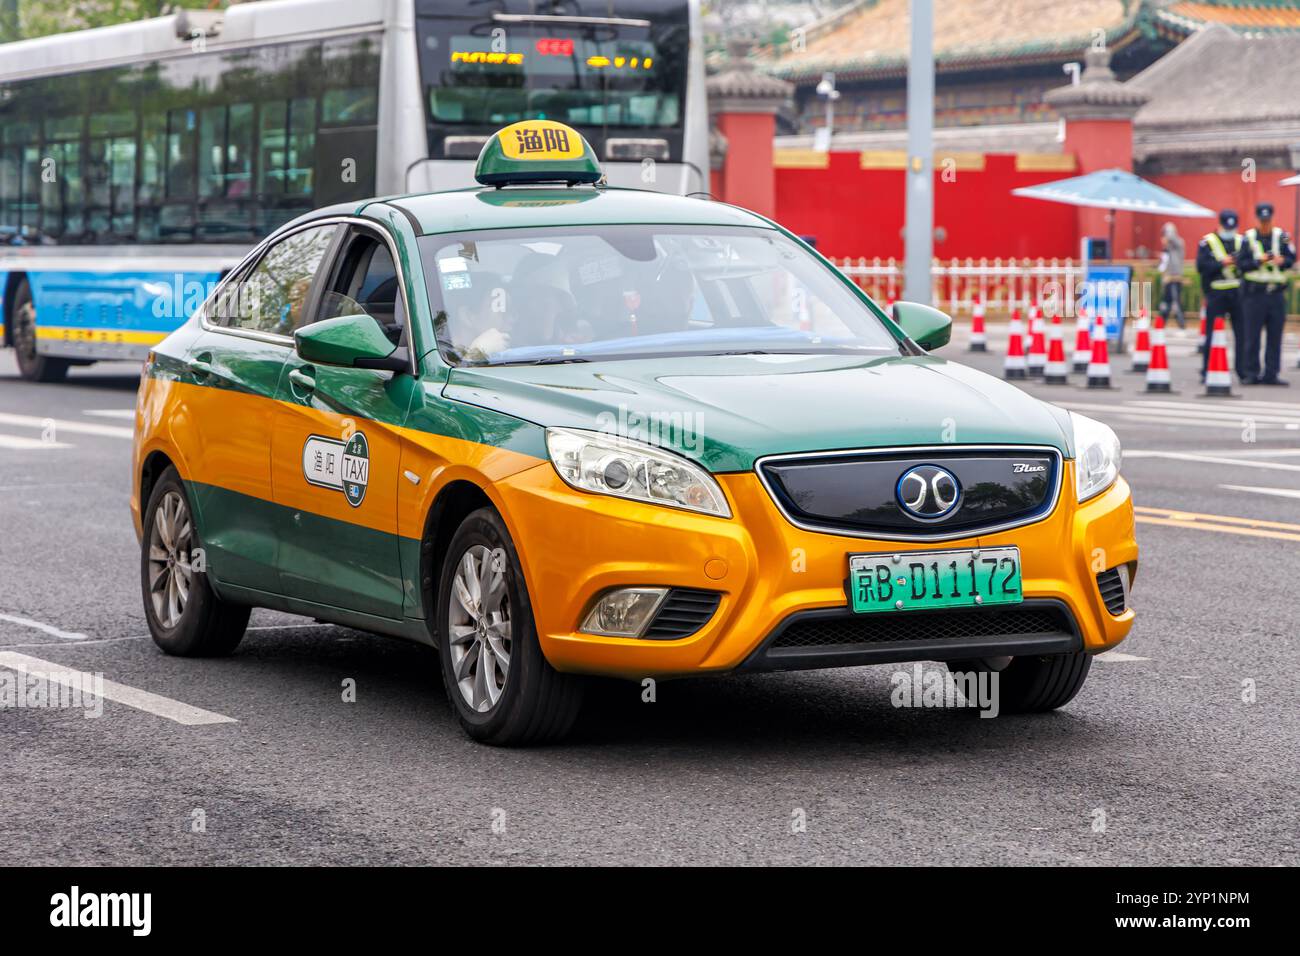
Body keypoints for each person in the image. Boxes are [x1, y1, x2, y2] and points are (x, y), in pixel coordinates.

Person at [1235, 201, 1294, 386]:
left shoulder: (1282, 236)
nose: (1265, 224)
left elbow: (1292, 258)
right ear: (1257, 219)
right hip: (1254, 295)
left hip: (1276, 294)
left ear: (1272, 219)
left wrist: (1282, 260)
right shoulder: (1248, 238)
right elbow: (1241, 265)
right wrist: (1257, 261)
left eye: (1267, 220)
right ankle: (1251, 372)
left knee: (1275, 336)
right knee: (1252, 335)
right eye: (1262, 220)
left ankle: (1271, 373)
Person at [1195, 209, 1244, 381]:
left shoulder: (1242, 241)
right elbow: (1201, 267)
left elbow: (1249, 263)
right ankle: (1207, 369)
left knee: (1242, 335)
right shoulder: (1207, 242)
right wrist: (1221, 263)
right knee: (1212, 333)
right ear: (1220, 225)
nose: (1230, 231)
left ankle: (1243, 371)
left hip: (1238, 294)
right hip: (1216, 293)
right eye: (1227, 227)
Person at [1157, 222, 1186, 329]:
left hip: (1175, 277)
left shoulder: (1178, 244)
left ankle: (1181, 323)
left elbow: (1172, 238)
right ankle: (1162, 322)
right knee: (1166, 302)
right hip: (1168, 278)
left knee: (1176, 302)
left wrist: (1167, 236)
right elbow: (1164, 264)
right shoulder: (1167, 248)